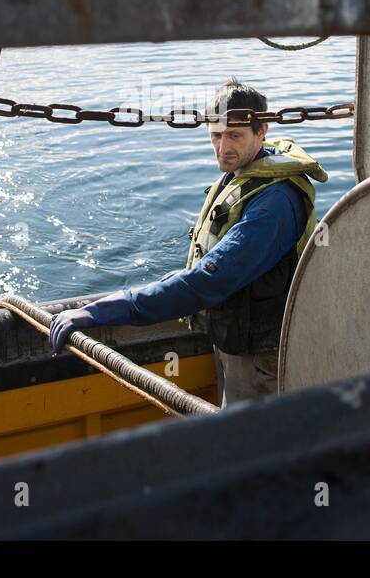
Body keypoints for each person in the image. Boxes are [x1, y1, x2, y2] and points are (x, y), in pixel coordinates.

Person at [49, 78, 327, 406]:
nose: (223, 148)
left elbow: (208, 279)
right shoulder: (244, 172)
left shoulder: (274, 204)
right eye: (216, 136)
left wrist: (110, 308)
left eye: (235, 135)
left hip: (263, 356)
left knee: (253, 434)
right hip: (235, 337)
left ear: (262, 130)